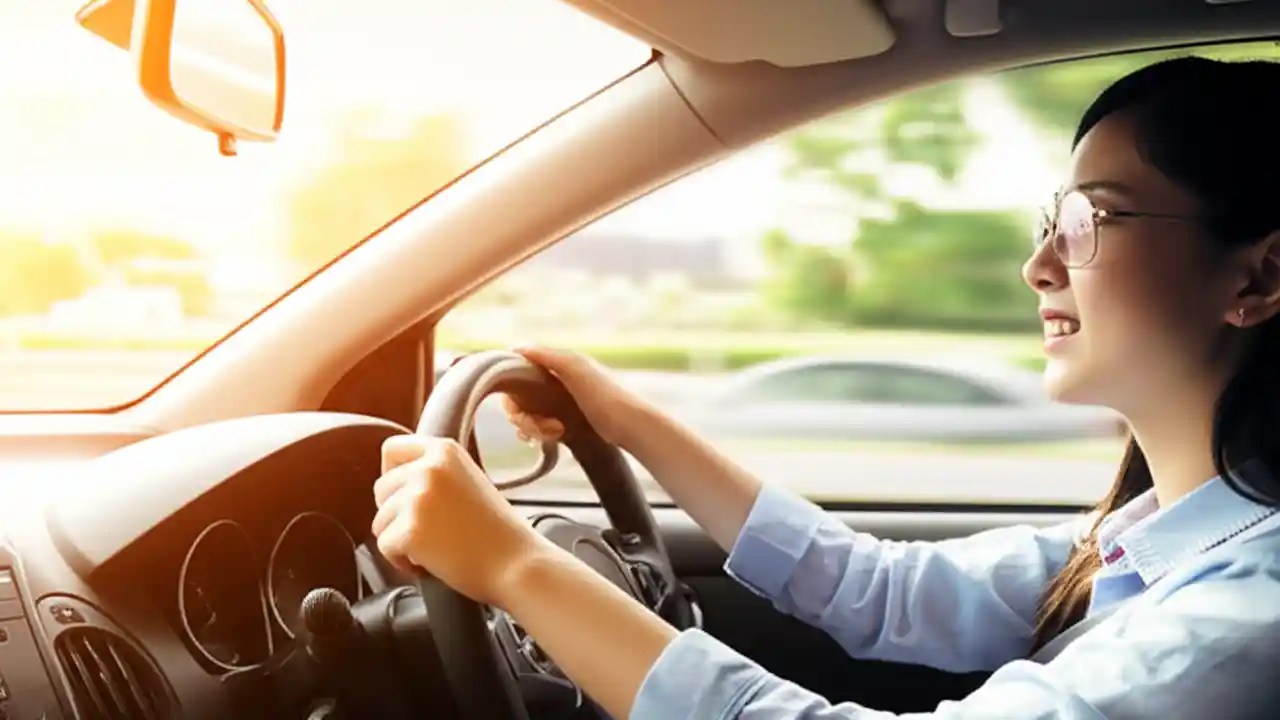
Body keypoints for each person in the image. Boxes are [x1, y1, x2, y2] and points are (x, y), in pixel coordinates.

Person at [370, 57, 1280, 718]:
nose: (1041, 264)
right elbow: (876, 588)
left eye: (1093, 219)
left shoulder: (1243, 622)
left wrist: (514, 567)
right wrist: (631, 421)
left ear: (1257, 281)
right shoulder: (1157, 538)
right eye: (1053, 219)